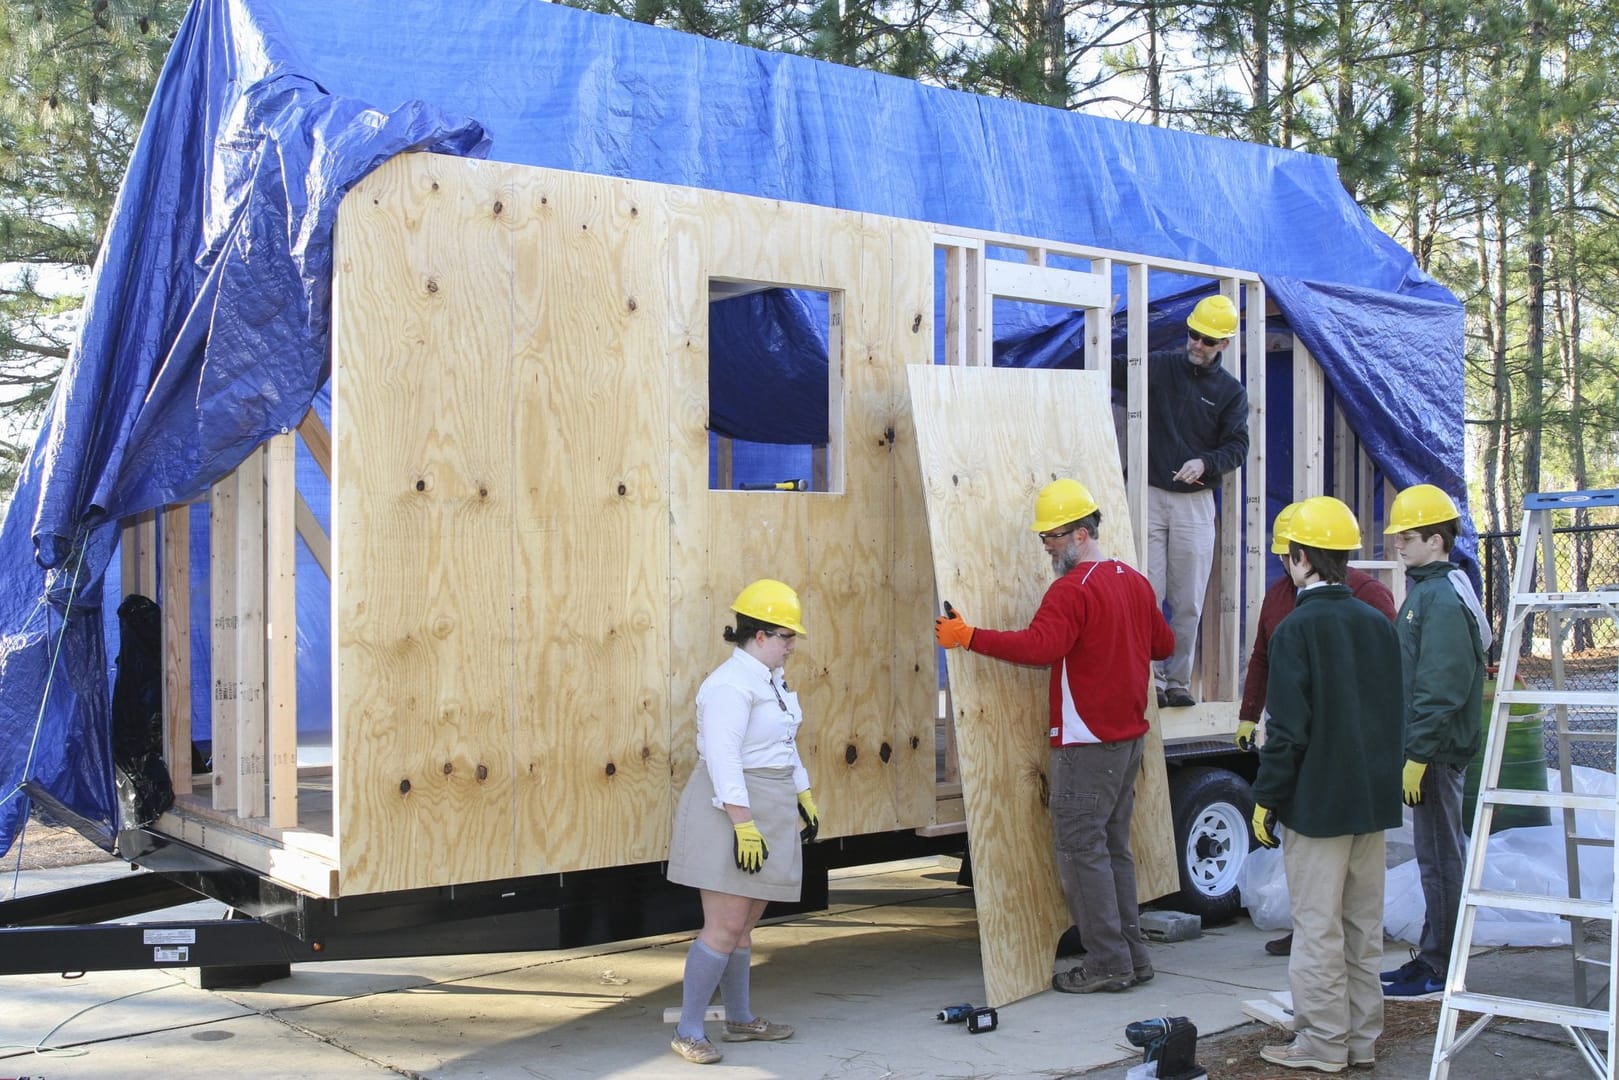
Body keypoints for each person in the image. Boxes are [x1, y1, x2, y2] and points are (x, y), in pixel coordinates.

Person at [935, 479, 1173, 994]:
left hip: (1088, 742)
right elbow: (1164, 643)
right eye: (1044, 537)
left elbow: (1041, 647)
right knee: (1111, 848)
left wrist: (968, 637)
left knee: (1079, 850)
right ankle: (1132, 957)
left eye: (1054, 536)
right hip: (1127, 739)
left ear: (1082, 534)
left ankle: (1109, 963)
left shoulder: (1072, 589)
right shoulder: (1132, 580)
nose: (1046, 546)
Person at [1250, 495, 1404, 1072]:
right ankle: (1361, 1041)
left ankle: (1322, 1043)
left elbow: (1288, 731)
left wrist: (1266, 799)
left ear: (1300, 558)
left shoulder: (1295, 629)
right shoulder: (1378, 621)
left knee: (1318, 932)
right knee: (1364, 932)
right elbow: (1396, 715)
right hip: (1372, 804)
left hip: (1317, 808)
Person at [665, 578, 820, 1065]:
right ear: (757, 636)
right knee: (724, 925)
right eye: (784, 636)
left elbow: (784, 741)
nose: (791, 645)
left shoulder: (770, 680)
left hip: (767, 802)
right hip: (733, 806)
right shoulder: (729, 685)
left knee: (747, 922)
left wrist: (803, 791)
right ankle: (689, 1031)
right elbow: (723, 757)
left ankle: (739, 1018)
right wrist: (742, 823)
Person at [1380, 484, 1488, 1001]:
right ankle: (1431, 956)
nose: (1398, 543)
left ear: (1435, 539)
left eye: (1407, 536)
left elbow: (1440, 686)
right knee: (1436, 857)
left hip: (1438, 753)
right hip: (1432, 750)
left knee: (1441, 859)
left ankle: (1440, 967)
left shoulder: (1441, 597)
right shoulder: (1432, 589)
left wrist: (1419, 754)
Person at [1131, 294, 1250, 708]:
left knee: (1187, 600)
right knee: (1146, 594)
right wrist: (1107, 319)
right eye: (1194, 335)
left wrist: (1205, 462)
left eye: (1207, 340)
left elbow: (1238, 446)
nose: (1197, 344)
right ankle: (1148, 682)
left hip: (1196, 504)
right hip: (1148, 494)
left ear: (1224, 345)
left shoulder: (1230, 393)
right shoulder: (1161, 366)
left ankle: (1177, 681)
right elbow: (1115, 371)